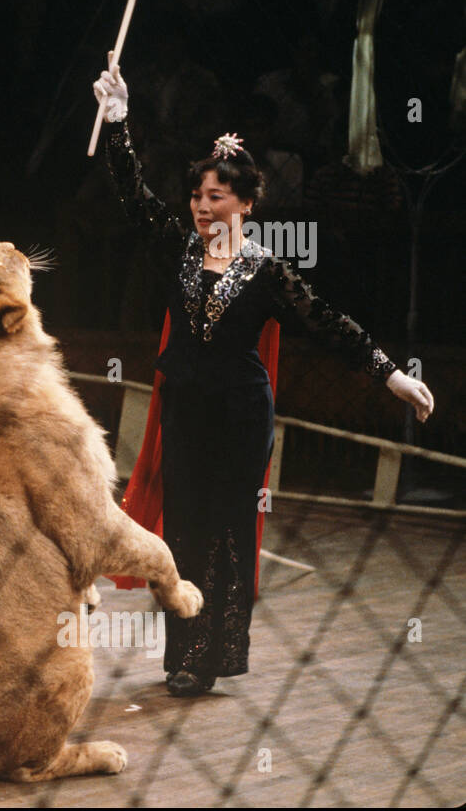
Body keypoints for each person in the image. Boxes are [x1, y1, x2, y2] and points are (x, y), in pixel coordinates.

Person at [92, 52, 434, 697]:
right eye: (196, 195)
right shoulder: (180, 248)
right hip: (186, 411)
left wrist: (389, 374)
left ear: (246, 203)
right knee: (184, 532)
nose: (200, 205)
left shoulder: (267, 271)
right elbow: (132, 197)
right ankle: (183, 656)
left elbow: (328, 323)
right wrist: (118, 120)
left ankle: (213, 655)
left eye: (214, 196)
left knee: (226, 532)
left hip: (241, 416)